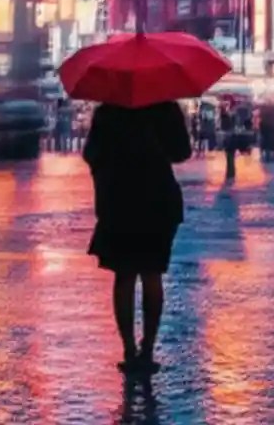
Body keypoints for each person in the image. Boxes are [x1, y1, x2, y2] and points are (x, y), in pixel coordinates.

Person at [83, 101, 192, 374]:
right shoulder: (165, 108)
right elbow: (182, 152)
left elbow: (90, 154)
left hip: (119, 200)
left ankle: (129, 349)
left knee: (124, 276)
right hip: (158, 200)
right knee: (152, 274)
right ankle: (148, 349)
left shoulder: (108, 111)